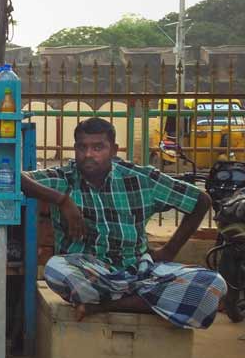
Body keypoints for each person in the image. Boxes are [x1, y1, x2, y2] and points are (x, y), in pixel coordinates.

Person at [22, 117, 226, 327]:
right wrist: (62, 200)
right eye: (82, 147)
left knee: (213, 284)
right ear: (75, 149)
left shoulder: (141, 178)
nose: (88, 154)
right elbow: (13, 177)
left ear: (114, 150)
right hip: (91, 273)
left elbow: (201, 201)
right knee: (56, 269)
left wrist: (168, 251)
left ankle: (105, 306)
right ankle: (143, 299)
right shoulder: (63, 179)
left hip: (140, 270)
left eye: (98, 147)